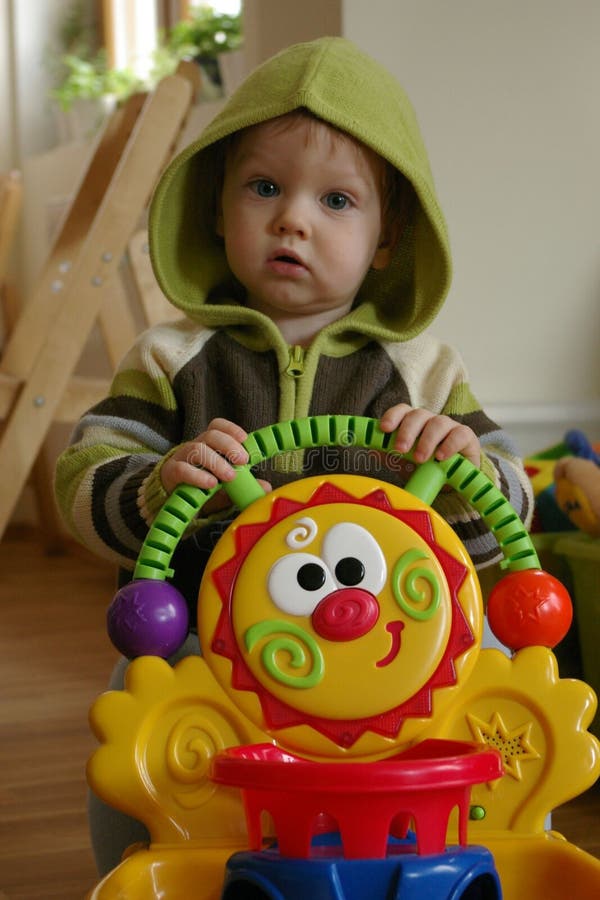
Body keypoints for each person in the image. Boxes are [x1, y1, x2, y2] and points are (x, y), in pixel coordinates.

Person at [54, 36, 532, 874]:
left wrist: (469, 469)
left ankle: (499, 852)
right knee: (139, 719)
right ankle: (143, 873)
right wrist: (160, 485)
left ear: (389, 238)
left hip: (401, 647)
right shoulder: (170, 357)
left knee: (499, 672)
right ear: (215, 206)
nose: (293, 218)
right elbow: (82, 478)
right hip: (210, 638)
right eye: (264, 187)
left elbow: (505, 516)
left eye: (338, 200)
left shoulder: (426, 371)